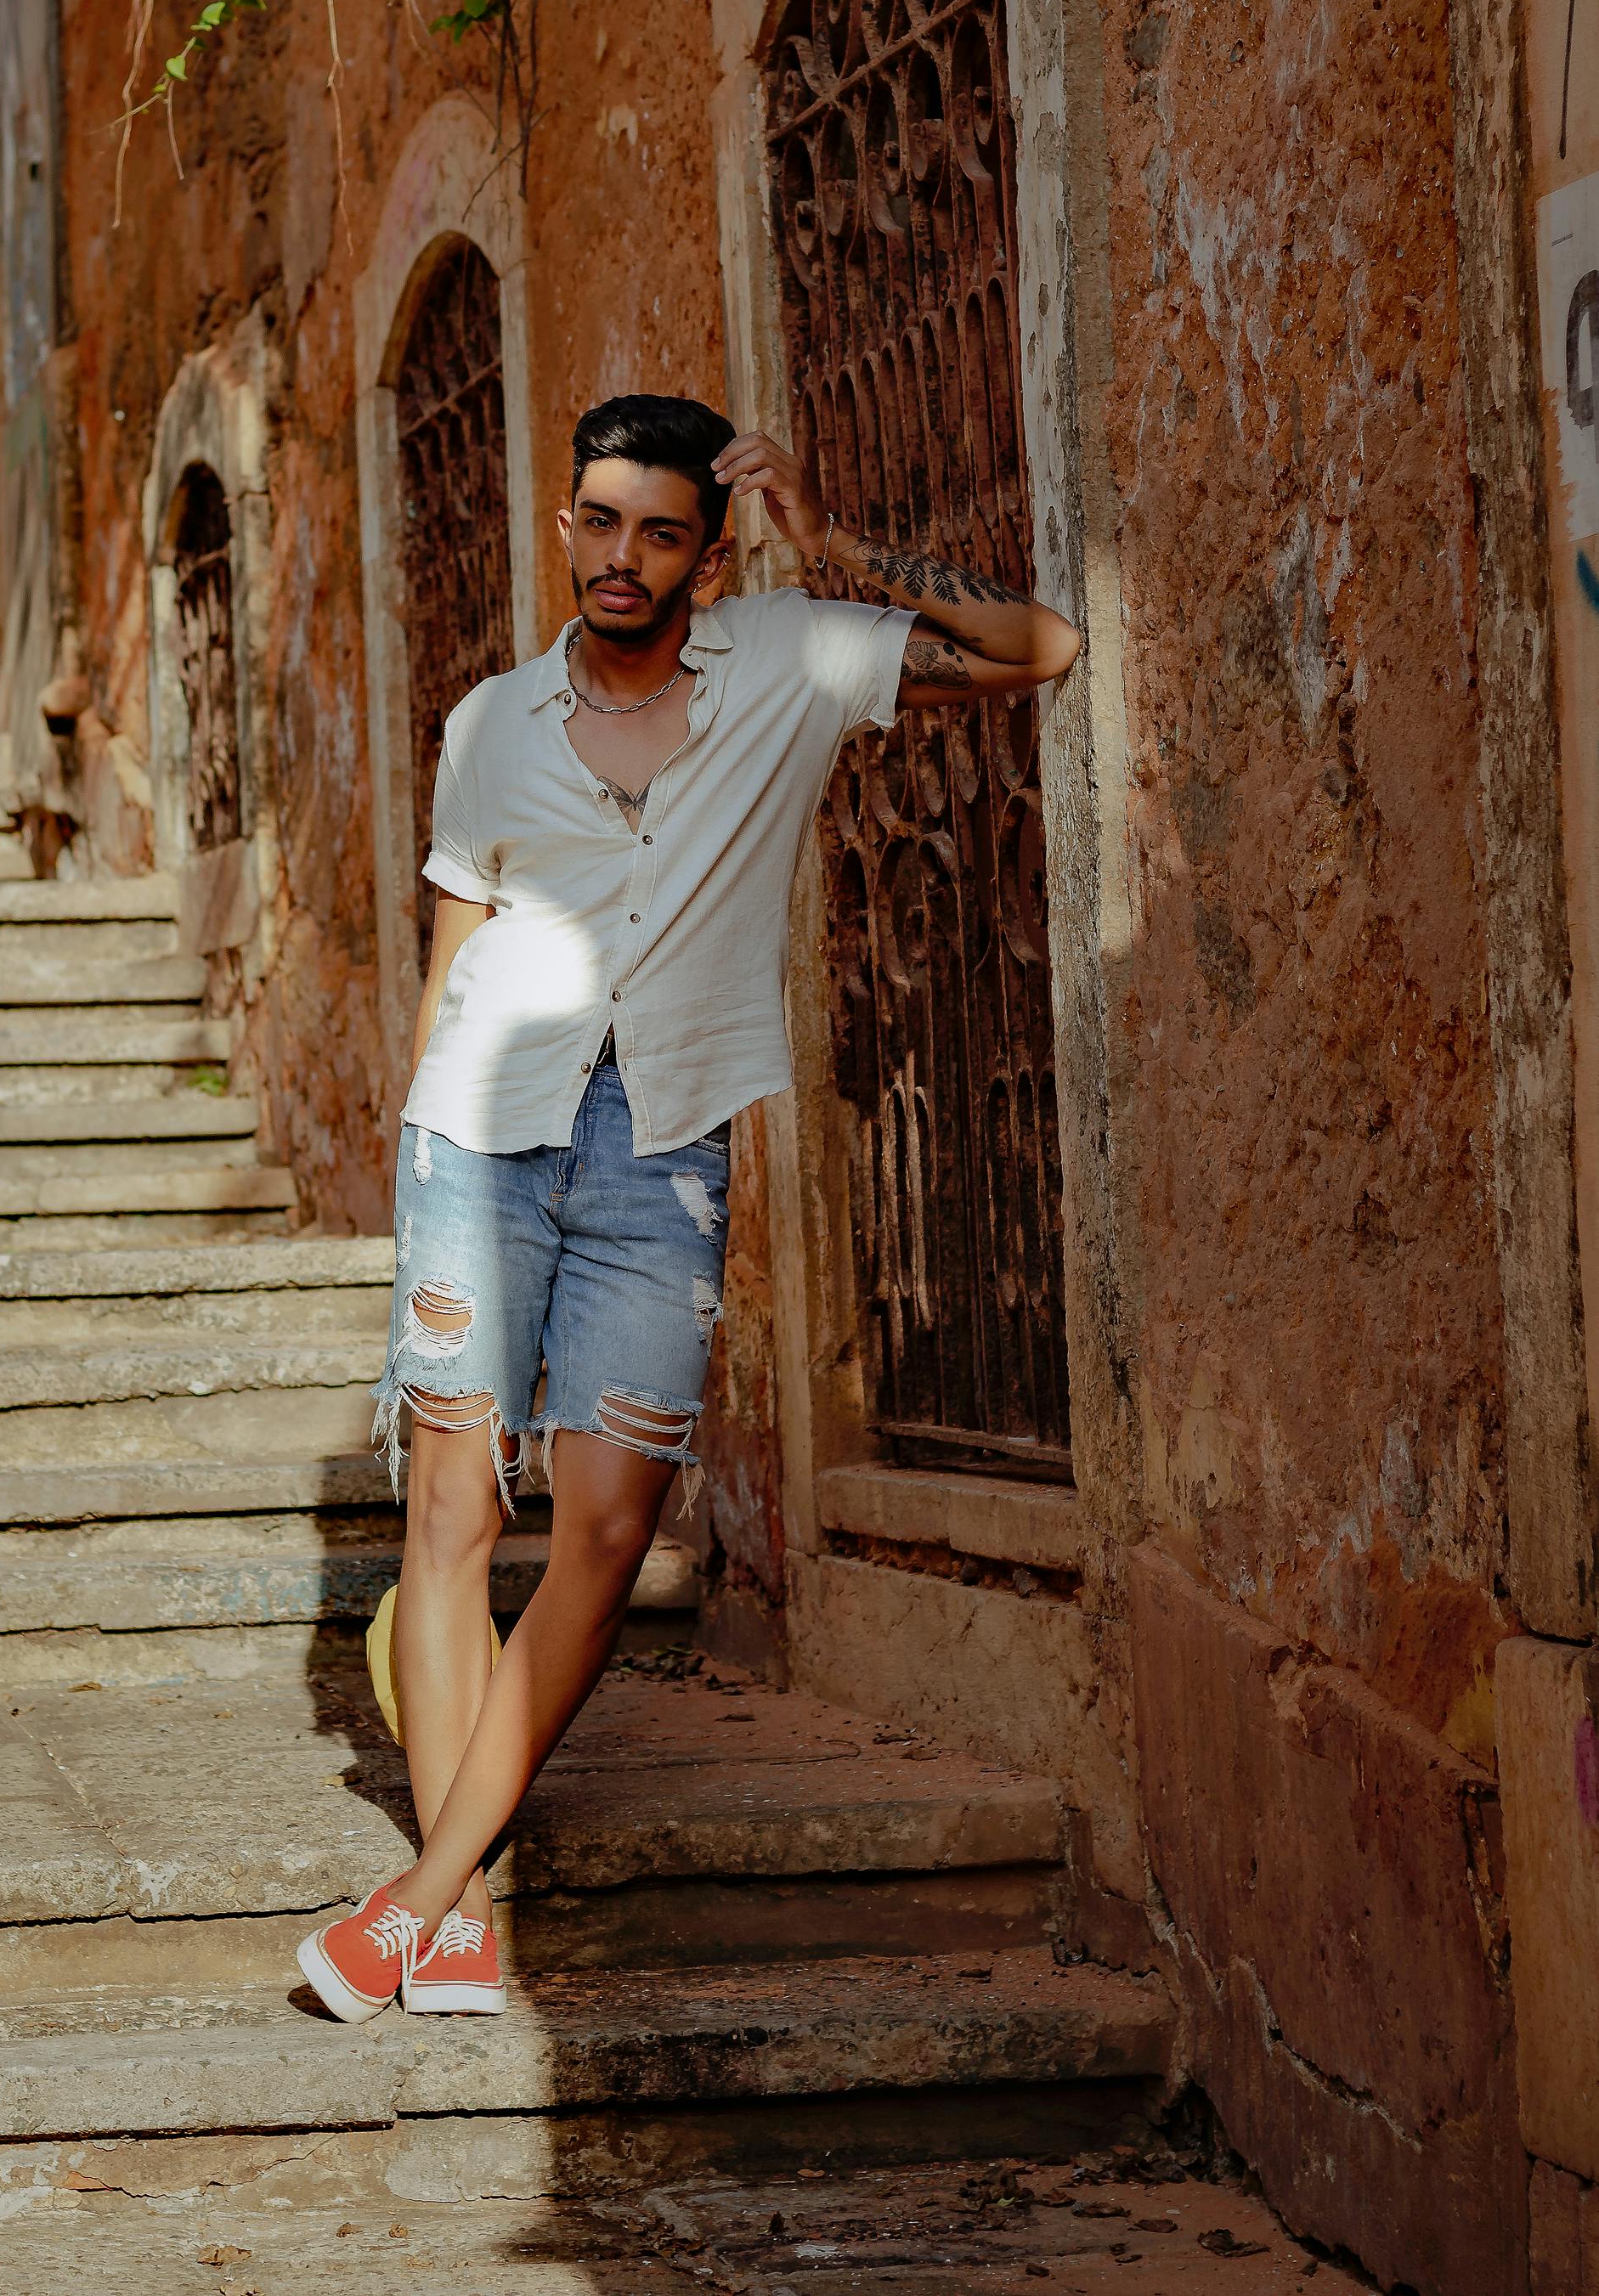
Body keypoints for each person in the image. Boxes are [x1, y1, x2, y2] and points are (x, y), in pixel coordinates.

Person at [297, 393, 1082, 2022]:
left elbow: (1042, 646)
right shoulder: (492, 720)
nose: (621, 557)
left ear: (706, 553)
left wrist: (836, 542)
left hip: (663, 1154)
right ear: (565, 525)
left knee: (607, 1526)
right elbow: (453, 946)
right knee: (453, 1516)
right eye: (598, 521)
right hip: (482, 1132)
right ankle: (457, 1919)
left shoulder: (794, 656)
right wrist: (414, 1145)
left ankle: (423, 1888)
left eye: (660, 531)